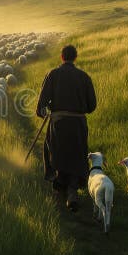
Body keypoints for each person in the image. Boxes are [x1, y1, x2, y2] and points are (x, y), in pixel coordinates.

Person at [36, 44, 96, 211]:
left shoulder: (53, 74)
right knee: (77, 154)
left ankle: (60, 186)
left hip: (58, 123)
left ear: (62, 57)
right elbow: (92, 106)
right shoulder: (84, 77)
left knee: (56, 151)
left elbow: (41, 104)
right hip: (78, 124)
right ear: (75, 58)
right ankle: (72, 190)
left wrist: (44, 112)